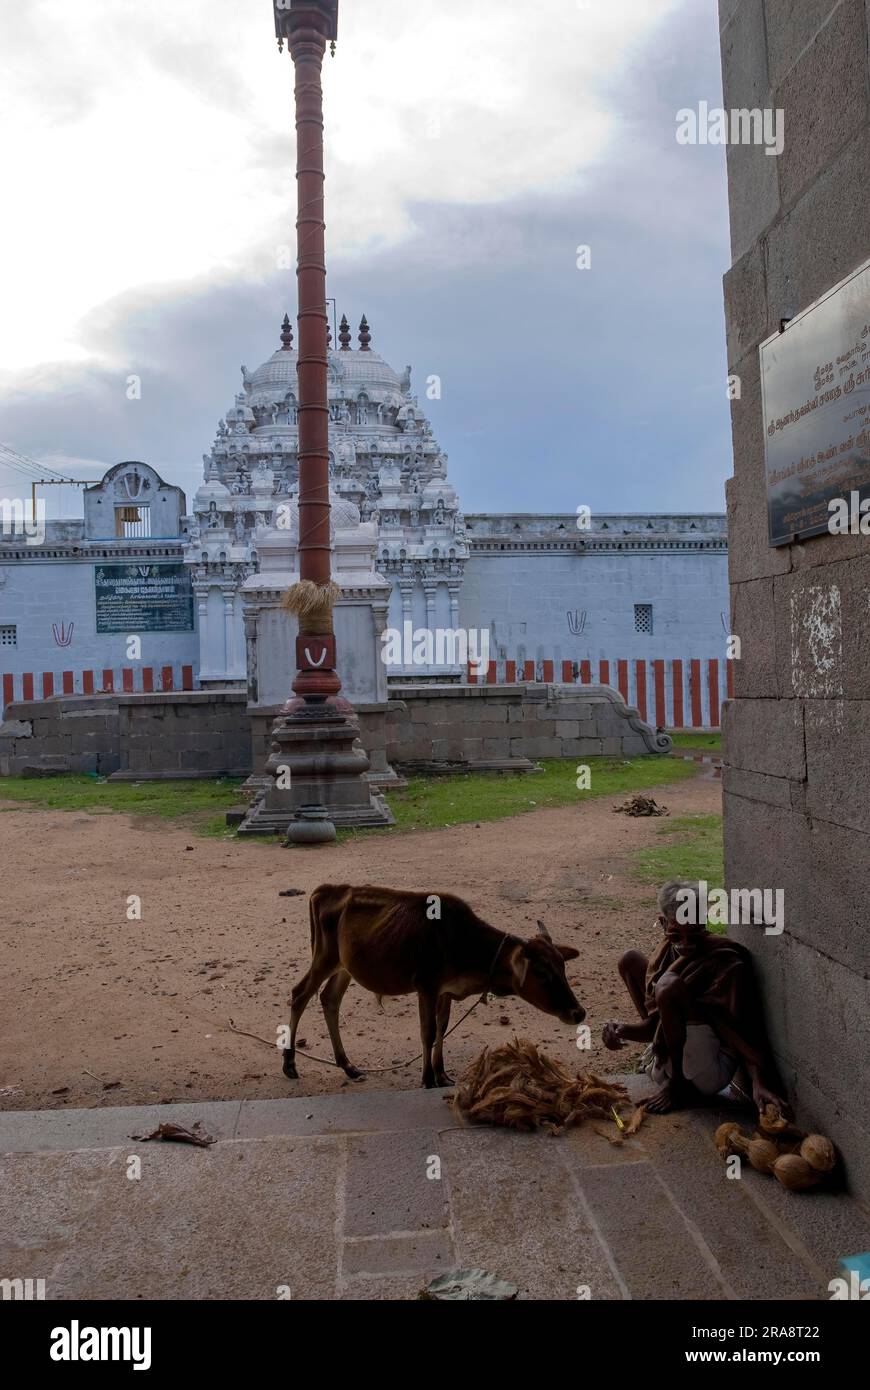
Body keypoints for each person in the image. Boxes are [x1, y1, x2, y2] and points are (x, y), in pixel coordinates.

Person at [602, 879, 790, 1117]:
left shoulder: (726, 959)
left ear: (704, 922)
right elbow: (655, 1024)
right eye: (676, 935)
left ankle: (678, 1085)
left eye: (694, 934)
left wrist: (758, 1082)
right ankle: (666, 1064)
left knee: (667, 986)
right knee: (629, 960)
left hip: (709, 1069)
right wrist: (619, 1030)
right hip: (676, 1052)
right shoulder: (665, 954)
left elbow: (746, 1026)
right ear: (663, 924)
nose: (686, 945)